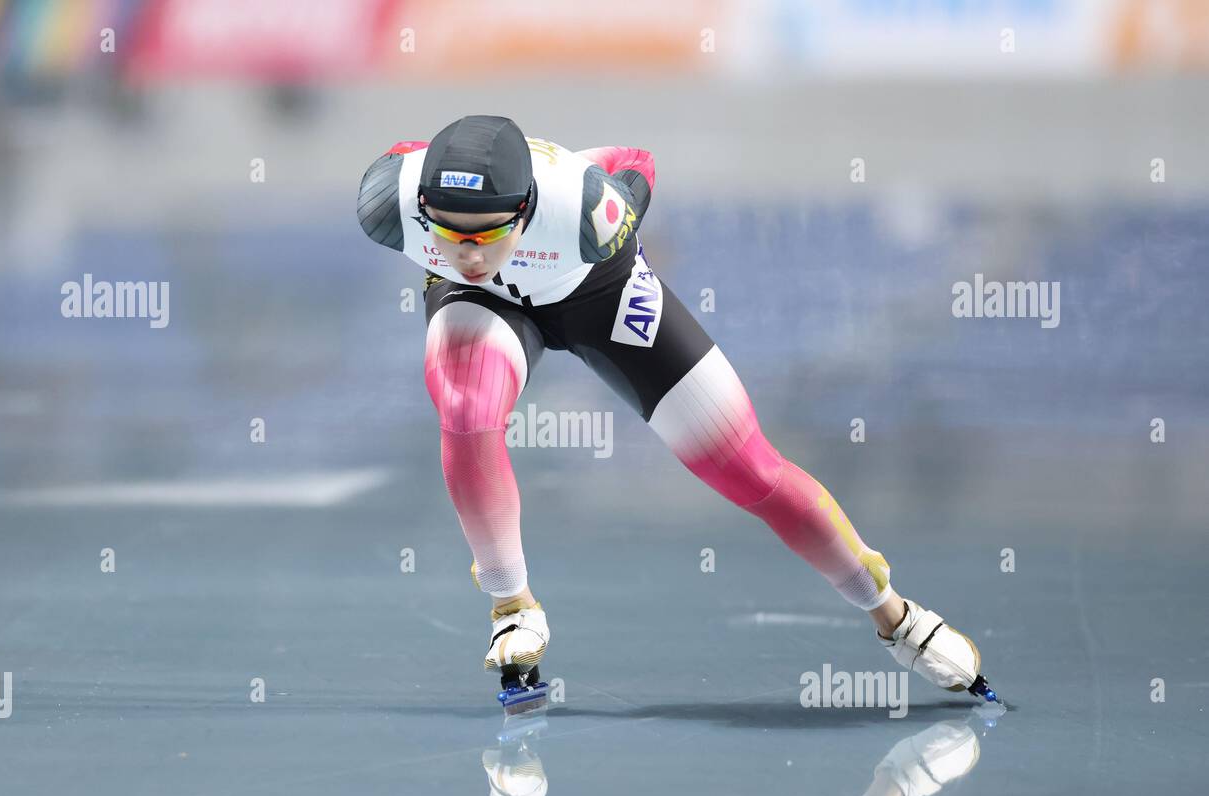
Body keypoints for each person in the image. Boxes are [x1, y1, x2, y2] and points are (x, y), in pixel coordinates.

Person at [356, 115, 998, 703]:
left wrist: (607, 195)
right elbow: (413, 166)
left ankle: (894, 613)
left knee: (749, 471)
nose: (467, 254)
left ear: (524, 212)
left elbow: (635, 159)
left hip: (597, 292)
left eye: (487, 234)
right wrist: (464, 247)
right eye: (447, 232)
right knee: (467, 408)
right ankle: (512, 607)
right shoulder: (389, 200)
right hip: (487, 305)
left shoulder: (586, 208)